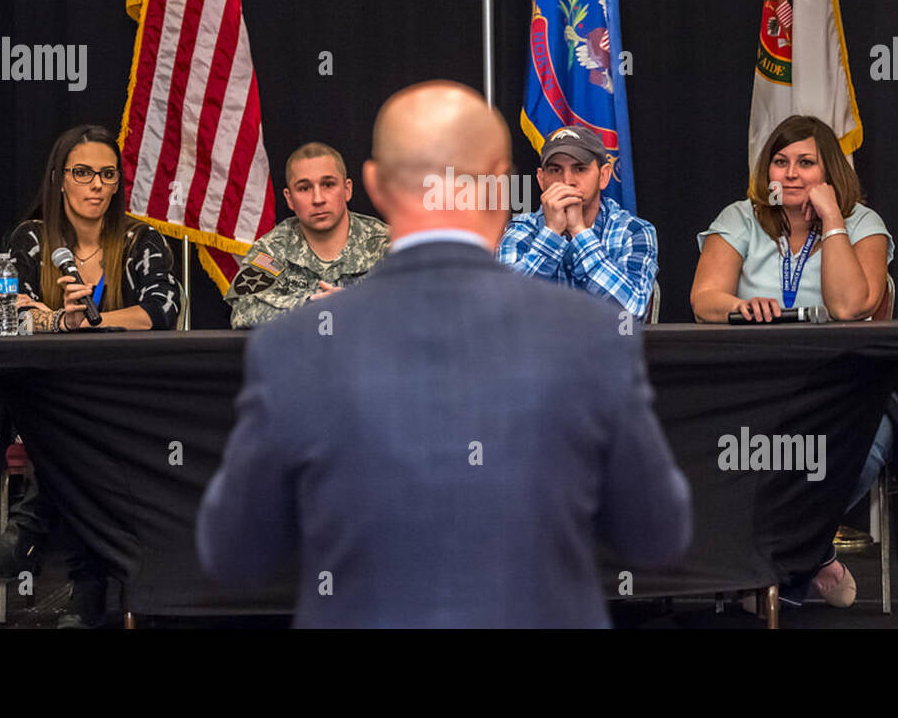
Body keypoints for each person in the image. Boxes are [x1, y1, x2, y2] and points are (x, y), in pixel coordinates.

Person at [196, 81, 692, 627]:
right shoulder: (594, 337)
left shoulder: (295, 344)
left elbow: (235, 555)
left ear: (374, 186)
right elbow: (657, 536)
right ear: (500, 181)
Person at [0, 123, 179, 628]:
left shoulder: (141, 240)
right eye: (83, 172)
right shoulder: (30, 239)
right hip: (51, 401)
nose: (96, 184)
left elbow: (159, 312)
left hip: (127, 402)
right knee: (75, 429)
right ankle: (88, 588)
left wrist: (86, 324)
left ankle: (29, 534)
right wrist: (62, 320)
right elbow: (12, 314)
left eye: (107, 174)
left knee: (83, 431)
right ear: (59, 179)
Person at [688, 114, 894, 609]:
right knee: (718, 449)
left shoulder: (864, 224)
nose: (791, 173)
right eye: (780, 162)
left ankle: (776, 566)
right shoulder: (740, 217)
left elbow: (849, 308)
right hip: (754, 386)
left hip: (843, 391)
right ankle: (810, 555)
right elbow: (703, 299)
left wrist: (834, 222)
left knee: (859, 453)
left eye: (806, 162)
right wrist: (739, 307)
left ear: (830, 173)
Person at [497, 125, 658, 319]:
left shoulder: (634, 231)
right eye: (556, 170)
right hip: (540, 348)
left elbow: (633, 310)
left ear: (604, 176)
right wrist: (551, 234)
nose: (567, 180)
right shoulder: (520, 229)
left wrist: (579, 232)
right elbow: (504, 308)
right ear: (541, 180)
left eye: (580, 169)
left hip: (606, 348)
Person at [224, 142, 389, 328]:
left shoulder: (386, 244)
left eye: (328, 184)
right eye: (304, 188)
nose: (318, 199)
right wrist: (309, 307)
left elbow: (418, 305)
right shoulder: (273, 249)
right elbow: (243, 312)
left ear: (347, 189)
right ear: (289, 198)